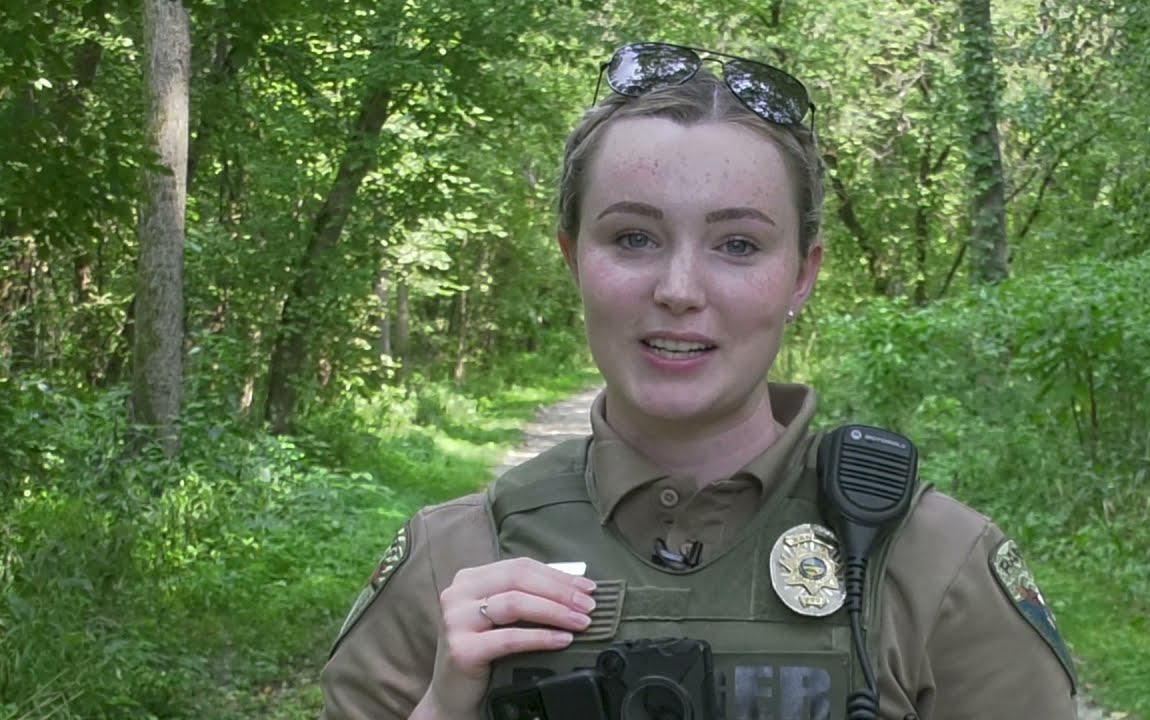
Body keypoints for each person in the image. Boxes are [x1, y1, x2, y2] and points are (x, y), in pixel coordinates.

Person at [319, 42, 1077, 720]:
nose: (680, 289)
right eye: (634, 238)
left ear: (802, 274)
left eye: (738, 244)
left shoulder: (933, 564)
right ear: (572, 257)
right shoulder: (451, 562)